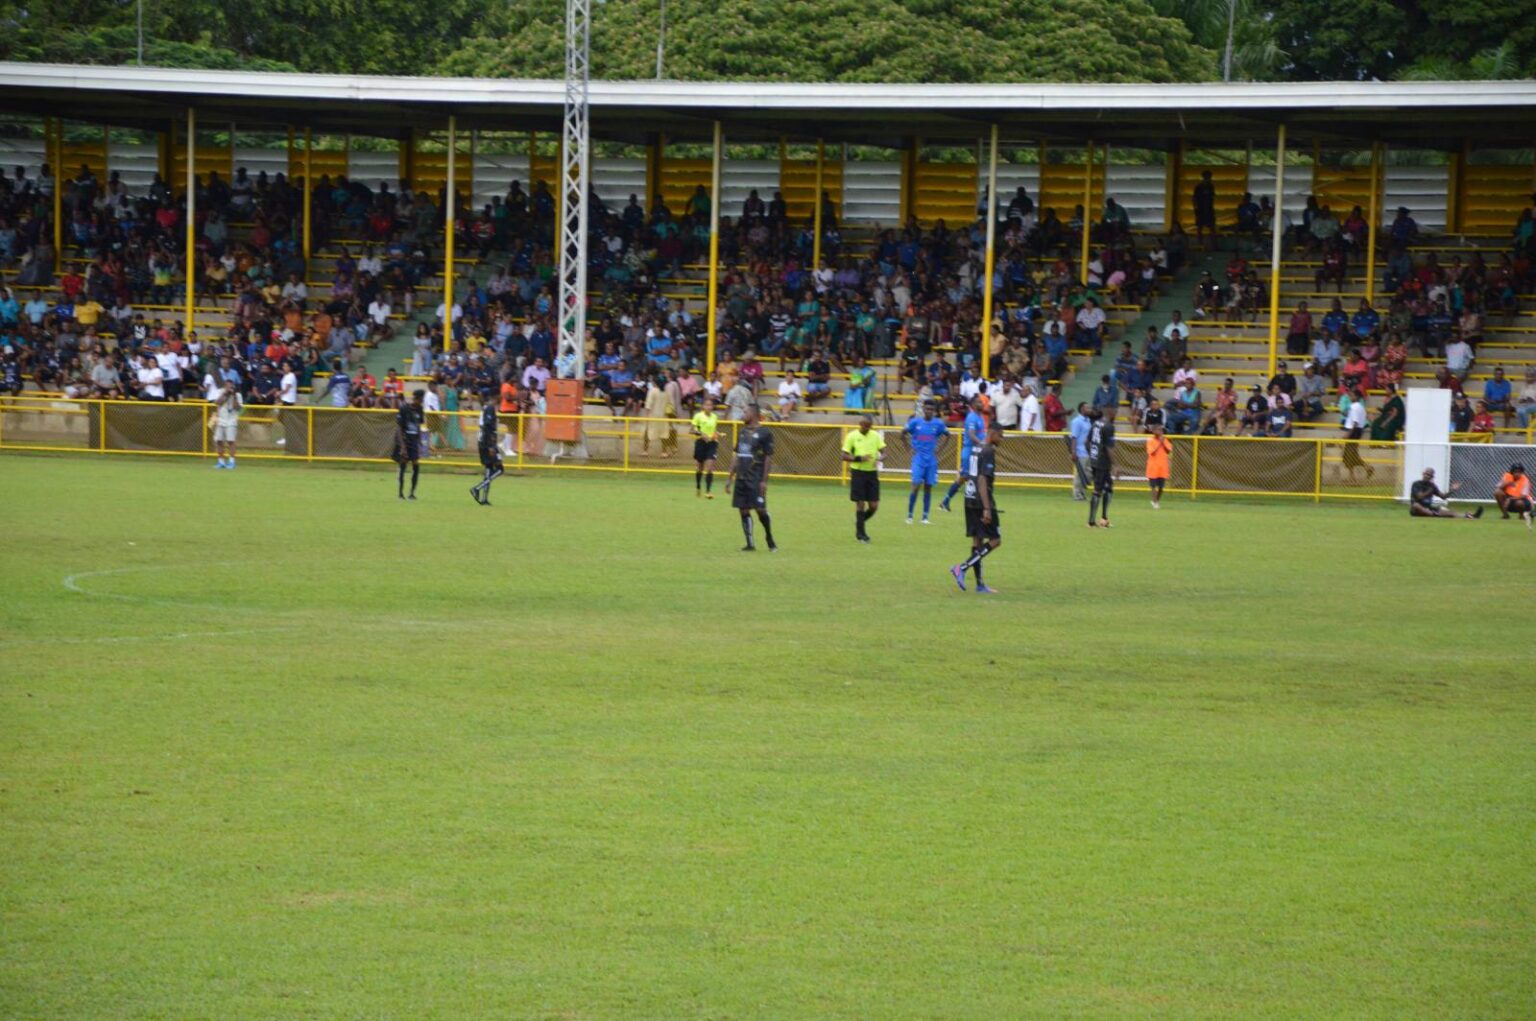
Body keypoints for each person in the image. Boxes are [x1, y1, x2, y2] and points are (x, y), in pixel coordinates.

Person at [949, 420, 1001, 595]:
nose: (1001, 439)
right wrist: (987, 508)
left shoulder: (976, 448)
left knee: (977, 541)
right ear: (992, 433)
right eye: (1000, 436)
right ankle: (962, 568)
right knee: (995, 540)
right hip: (981, 501)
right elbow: (982, 479)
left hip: (969, 498)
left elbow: (968, 474)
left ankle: (979, 585)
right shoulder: (988, 451)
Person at [728, 405, 777, 551]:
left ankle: (769, 537)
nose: (743, 415)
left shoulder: (765, 433)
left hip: (755, 478)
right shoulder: (742, 432)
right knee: (743, 509)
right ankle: (750, 544)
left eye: (745, 412)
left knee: (760, 509)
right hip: (741, 478)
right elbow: (737, 455)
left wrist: (764, 481)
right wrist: (730, 477)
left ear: (753, 414)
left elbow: (768, 457)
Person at [939, 396, 989, 512]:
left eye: (982, 402)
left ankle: (978, 503)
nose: (981, 404)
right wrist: (982, 444)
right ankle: (945, 501)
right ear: (973, 405)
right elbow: (971, 434)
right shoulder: (972, 417)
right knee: (964, 477)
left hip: (977, 451)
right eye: (979, 402)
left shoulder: (980, 417)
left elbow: (981, 434)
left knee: (978, 477)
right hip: (970, 451)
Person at [842, 414, 886, 543]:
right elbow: (843, 455)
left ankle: (859, 522)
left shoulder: (875, 436)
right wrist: (859, 458)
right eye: (865, 426)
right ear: (860, 424)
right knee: (860, 503)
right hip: (858, 473)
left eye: (869, 426)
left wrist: (879, 459)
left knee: (874, 505)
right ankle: (861, 534)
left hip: (872, 473)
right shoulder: (852, 436)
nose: (867, 428)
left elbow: (885, 453)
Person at [903, 400, 948, 524]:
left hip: (931, 460)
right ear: (923, 409)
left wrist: (940, 449)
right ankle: (910, 516)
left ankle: (925, 517)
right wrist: (908, 449)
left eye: (931, 409)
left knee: (928, 487)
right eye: (927, 409)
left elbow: (947, 435)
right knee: (916, 485)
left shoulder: (938, 423)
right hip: (918, 458)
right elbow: (902, 433)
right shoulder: (915, 422)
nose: (929, 411)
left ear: (934, 411)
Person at [470, 394, 504, 506]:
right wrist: (491, 445)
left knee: (489, 468)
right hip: (487, 442)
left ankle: (484, 498)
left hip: (482, 441)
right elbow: (487, 426)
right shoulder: (490, 408)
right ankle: (477, 488)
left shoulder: (484, 408)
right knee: (499, 469)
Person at [1085, 409, 1116, 528]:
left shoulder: (1096, 424)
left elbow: (1086, 442)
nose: (1115, 414)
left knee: (1108, 487)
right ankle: (1091, 522)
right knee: (1098, 489)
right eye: (1114, 411)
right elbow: (1109, 448)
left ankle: (1104, 519)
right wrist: (1115, 465)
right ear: (1109, 412)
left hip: (1095, 460)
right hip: (1102, 462)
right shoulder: (1109, 427)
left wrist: (1092, 455)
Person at [1409, 468, 1481, 519]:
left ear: (1432, 477)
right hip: (1417, 510)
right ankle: (1435, 514)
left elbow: (1443, 497)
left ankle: (1469, 516)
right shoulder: (1416, 484)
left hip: (1429, 508)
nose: (1426, 476)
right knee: (1416, 505)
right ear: (1423, 474)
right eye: (1425, 474)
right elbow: (1420, 497)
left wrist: (1452, 490)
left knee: (1451, 513)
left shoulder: (1432, 486)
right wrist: (1430, 490)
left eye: (1429, 475)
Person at [394, 388, 425, 500]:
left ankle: (412, 493)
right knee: (403, 466)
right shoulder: (404, 409)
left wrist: (420, 443)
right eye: (421, 399)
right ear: (417, 398)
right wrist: (402, 446)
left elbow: (419, 426)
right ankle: (400, 494)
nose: (422, 401)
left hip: (414, 441)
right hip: (405, 440)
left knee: (416, 466)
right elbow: (399, 428)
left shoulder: (420, 409)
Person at [691, 395, 721, 498]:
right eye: (706, 405)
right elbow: (692, 429)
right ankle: (698, 487)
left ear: (712, 407)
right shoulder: (698, 416)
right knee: (700, 467)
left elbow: (714, 429)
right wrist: (701, 434)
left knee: (710, 466)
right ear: (703, 406)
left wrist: (717, 434)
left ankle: (708, 491)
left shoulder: (714, 417)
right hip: (701, 443)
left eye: (710, 405)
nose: (708, 407)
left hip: (712, 443)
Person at [212, 380, 242, 470]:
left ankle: (232, 461)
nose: (229, 388)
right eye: (227, 386)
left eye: (231, 386)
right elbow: (217, 403)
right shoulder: (220, 392)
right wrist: (225, 394)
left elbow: (238, 408)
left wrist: (234, 396)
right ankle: (221, 462)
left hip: (231, 420)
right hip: (221, 420)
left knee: (231, 441)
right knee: (219, 441)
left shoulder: (238, 395)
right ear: (225, 386)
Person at [1495, 462, 1533, 528]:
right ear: (1512, 472)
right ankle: (1505, 515)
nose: (1517, 474)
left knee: (1519, 503)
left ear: (1522, 472)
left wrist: (1510, 499)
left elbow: (1524, 496)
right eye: (1515, 472)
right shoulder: (1507, 476)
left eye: (1519, 472)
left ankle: (1521, 516)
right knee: (1497, 492)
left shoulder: (1525, 480)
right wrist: (1507, 483)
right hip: (1510, 499)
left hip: (1523, 500)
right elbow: (1498, 487)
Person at [1145, 424, 1170, 509]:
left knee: (1161, 487)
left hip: (1163, 467)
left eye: (1161, 430)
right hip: (1153, 467)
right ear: (1153, 431)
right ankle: (1155, 501)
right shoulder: (1150, 441)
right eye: (1158, 430)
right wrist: (1159, 443)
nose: (1160, 432)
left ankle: (1156, 501)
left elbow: (1168, 451)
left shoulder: (1165, 440)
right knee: (1153, 486)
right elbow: (1152, 452)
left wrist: (1163, 442)